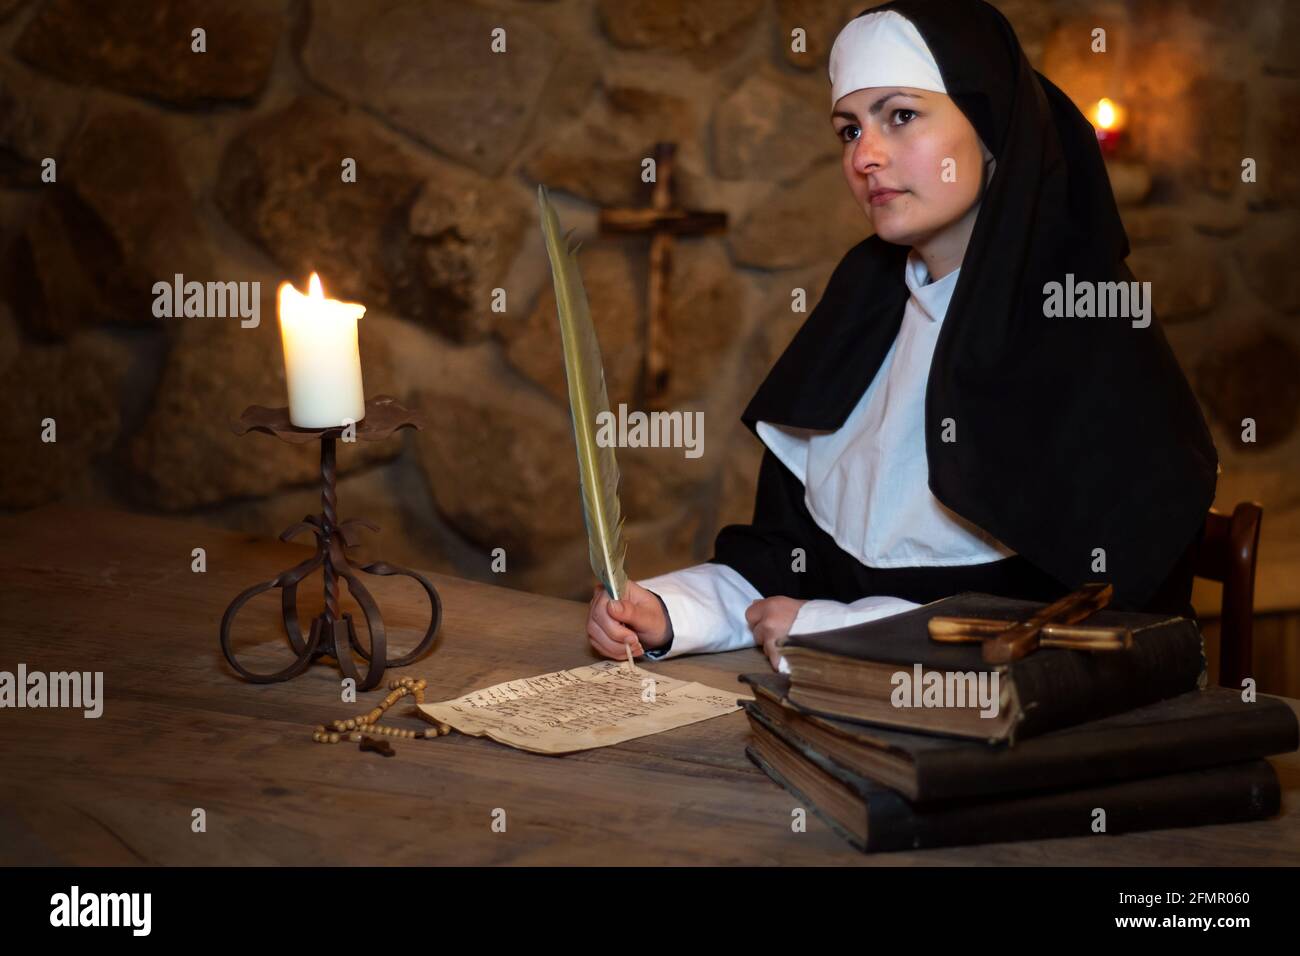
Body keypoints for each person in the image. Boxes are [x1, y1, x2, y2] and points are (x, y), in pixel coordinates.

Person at [585, 0, 1217, 672]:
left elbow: (1091, 628)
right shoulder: (860, 313)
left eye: (901, 116)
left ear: (990, 122)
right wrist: (668, 609)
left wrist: (836, 628)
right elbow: (786, 561)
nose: (867, 155)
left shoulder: (1089, 327)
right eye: (848, 130)